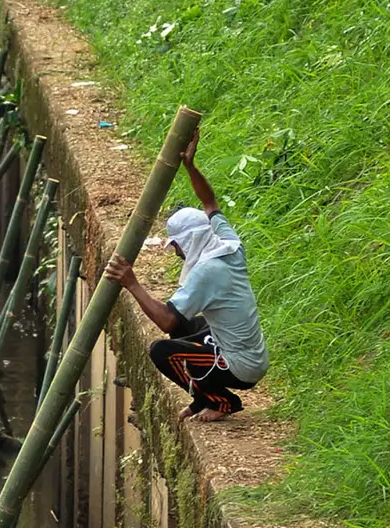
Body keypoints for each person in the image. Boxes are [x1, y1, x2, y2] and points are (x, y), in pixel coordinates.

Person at [104, 131, 268, 422]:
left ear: (189, 241)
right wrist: (191, 167)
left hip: (240, 365)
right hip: (244, 351)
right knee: (184, 326)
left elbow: (166, 319)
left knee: (162, 350)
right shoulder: (228, 245)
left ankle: (221, 401)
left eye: (176, 246)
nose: (176, 253)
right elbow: (210, 204)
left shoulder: (207, 271)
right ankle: (203, 395)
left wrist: (131, 283)